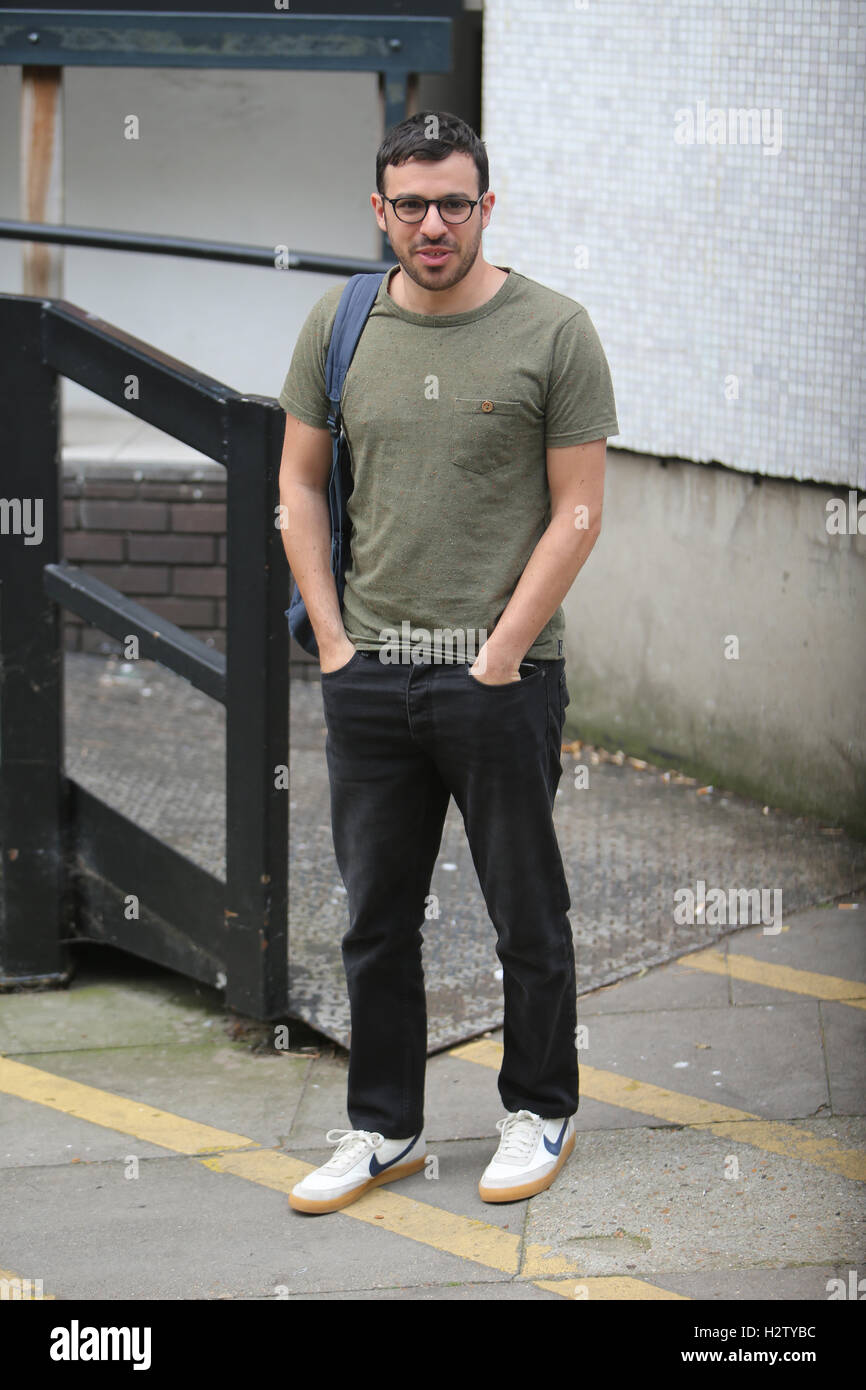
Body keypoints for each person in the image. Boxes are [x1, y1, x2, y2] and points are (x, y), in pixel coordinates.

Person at [277, 111, 618, 1214]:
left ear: (486, 205)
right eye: (410, 204)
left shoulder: (553, 330)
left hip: (498, 676)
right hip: (369, 672)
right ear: (380, 210)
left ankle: (540, 1107)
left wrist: (501, 656)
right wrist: (332, 640)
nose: (433, 223)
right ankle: (382, 1127)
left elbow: (577, 512)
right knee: (375, 914)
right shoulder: (338, 323)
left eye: (454, 202)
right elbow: (296, 485)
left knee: (526, 908)